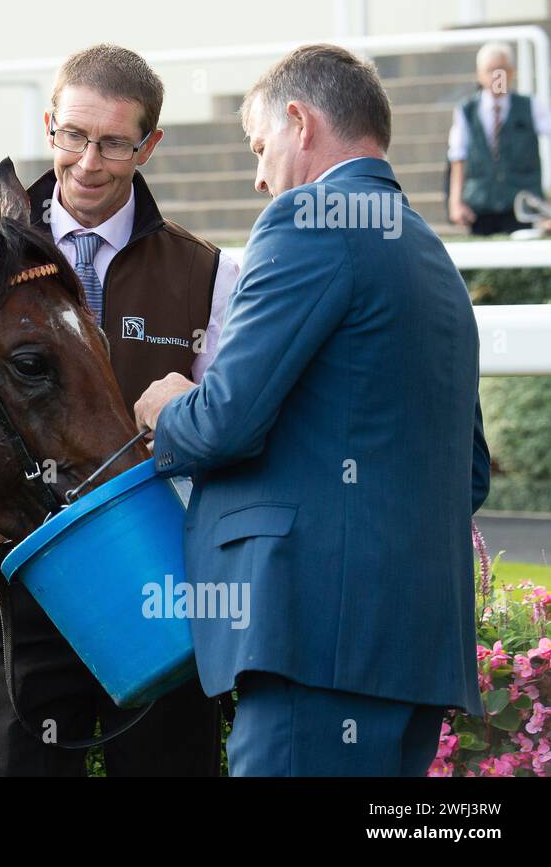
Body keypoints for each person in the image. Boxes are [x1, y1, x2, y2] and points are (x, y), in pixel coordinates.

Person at [135, 44, 490, 777]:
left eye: (260, 148)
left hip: (316, 640)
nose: (261, 176)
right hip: (413, 649)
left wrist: (168, 406)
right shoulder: (434, 260)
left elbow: (223, 421)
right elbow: (471, 471)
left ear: (299, 120)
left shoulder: (309, 217)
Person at [0, 44, 240, 777]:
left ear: (148, 145)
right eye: (73, 136)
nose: (89, 162)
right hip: (29, 588)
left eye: (114, 142)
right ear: (49, 125)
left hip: (160, 587)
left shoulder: (212, 274)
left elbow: (232, 429)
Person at [447, 41, 551, 236]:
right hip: (481, 205)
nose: (496, 76)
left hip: (523, 205)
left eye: (501, 70)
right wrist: (455, 203)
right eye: (490, 70)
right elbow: (457, 158)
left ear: (511, 73)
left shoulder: (530, 106)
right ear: (479, 75)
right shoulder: (466, 110)